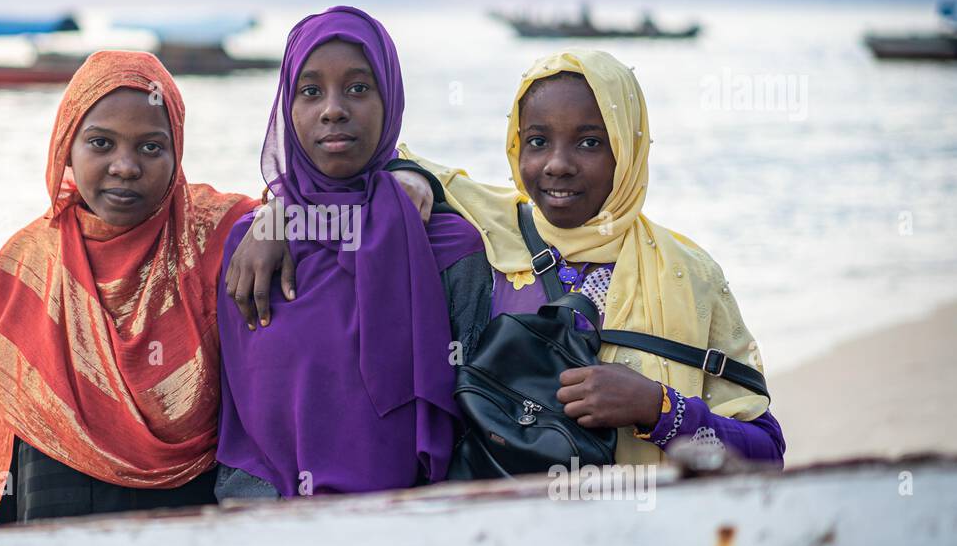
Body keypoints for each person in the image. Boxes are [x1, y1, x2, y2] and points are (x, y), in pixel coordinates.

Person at [228, 49, 784, 467]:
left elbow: (765, 454)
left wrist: (658, 409)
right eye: (537, 141)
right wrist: (276, 216)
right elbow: (358, 177)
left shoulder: (691, 275)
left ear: (630, 145)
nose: (557, 165)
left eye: (590, 142)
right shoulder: (485, 226)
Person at [0, 50, 258, 529]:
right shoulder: (23, 265)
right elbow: (11, 430)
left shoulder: (220, 234)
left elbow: (313, 197)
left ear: (176, 150)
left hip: (184, 523)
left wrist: (412, 181)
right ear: (67, 146)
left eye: (150, 147)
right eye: (101, 143)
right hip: (52, 519)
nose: (125, 166)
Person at [214, 6, 490, 501]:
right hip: (270, 525)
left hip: (415, 523)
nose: (333, 109)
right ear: (286, 106)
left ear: (391, 101)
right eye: (310, 91)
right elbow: (241, 418)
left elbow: (474, 403)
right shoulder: (251, 246)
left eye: (359, 89)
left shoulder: (446, 245)